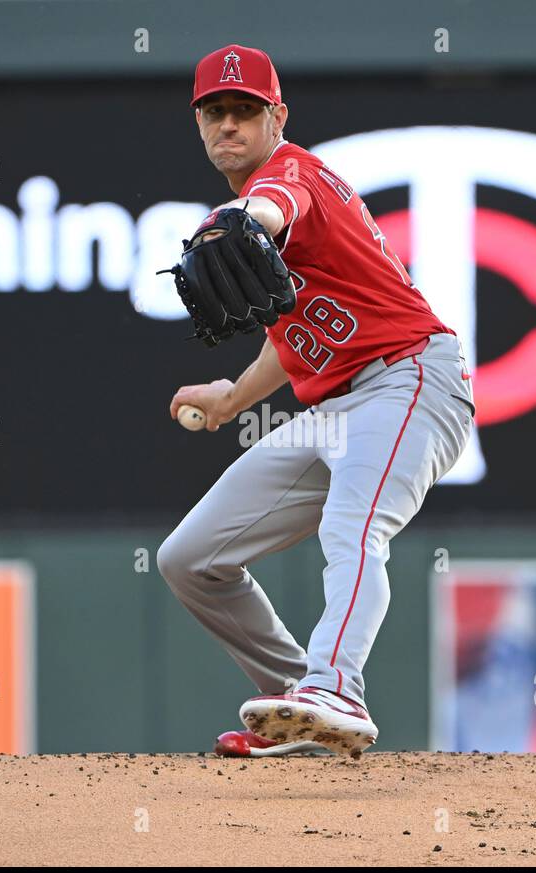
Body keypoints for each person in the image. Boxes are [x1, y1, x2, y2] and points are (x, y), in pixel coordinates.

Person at [157, 44, 476, 759]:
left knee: (352, 529)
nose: (229, 125)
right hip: (337, 406)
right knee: (190, 559)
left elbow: (269, 210)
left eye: (246, 110)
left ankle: (336, 686)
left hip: (411, 378)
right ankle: (300, 712)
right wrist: (232, 397)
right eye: (216, 111)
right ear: (199, 122)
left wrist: (244, 220)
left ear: (279, 117)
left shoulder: (290, 174)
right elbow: (290, 337)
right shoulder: (250, 209)